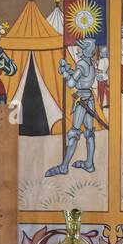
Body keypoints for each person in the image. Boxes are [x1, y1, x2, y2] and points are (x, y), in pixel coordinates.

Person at [47, 38, 101, 176]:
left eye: (80, 47)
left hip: (81, 100)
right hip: (89, 98)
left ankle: (64, 167)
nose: (78, 49)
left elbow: (72, 83)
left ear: (85, 50)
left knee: (74, 133)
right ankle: (89, 164)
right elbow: (83, 79)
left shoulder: (82, 63)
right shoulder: (90, 63)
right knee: (89, 133)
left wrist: (65, 73)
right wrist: (69, 69)